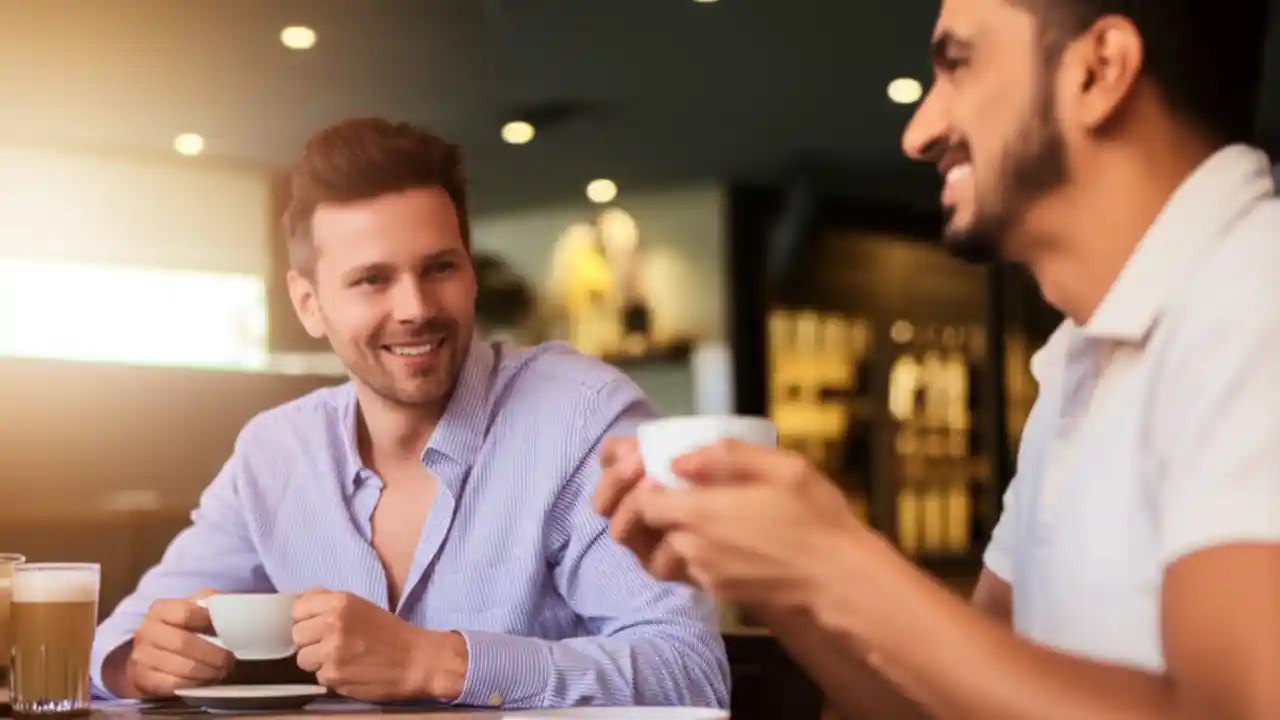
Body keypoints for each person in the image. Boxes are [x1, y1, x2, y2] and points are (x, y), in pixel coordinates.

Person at [597, 0, 1279, 717]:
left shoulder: (1256, 294)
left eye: (958, 65)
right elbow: (946, 705)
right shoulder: (1083, 358)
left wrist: (834, 563)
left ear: (1099, 70)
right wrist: (782, 578)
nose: (919, 132)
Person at [92, 118, 729, 711]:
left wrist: (440, 662)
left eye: (439, 268)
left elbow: (691, 674)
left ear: (471, 273)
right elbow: (121, 641)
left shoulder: (582, 419)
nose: (416, 307)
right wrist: (143, 662)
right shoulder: (277, 450)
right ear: (311, 304)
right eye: (373, 279)